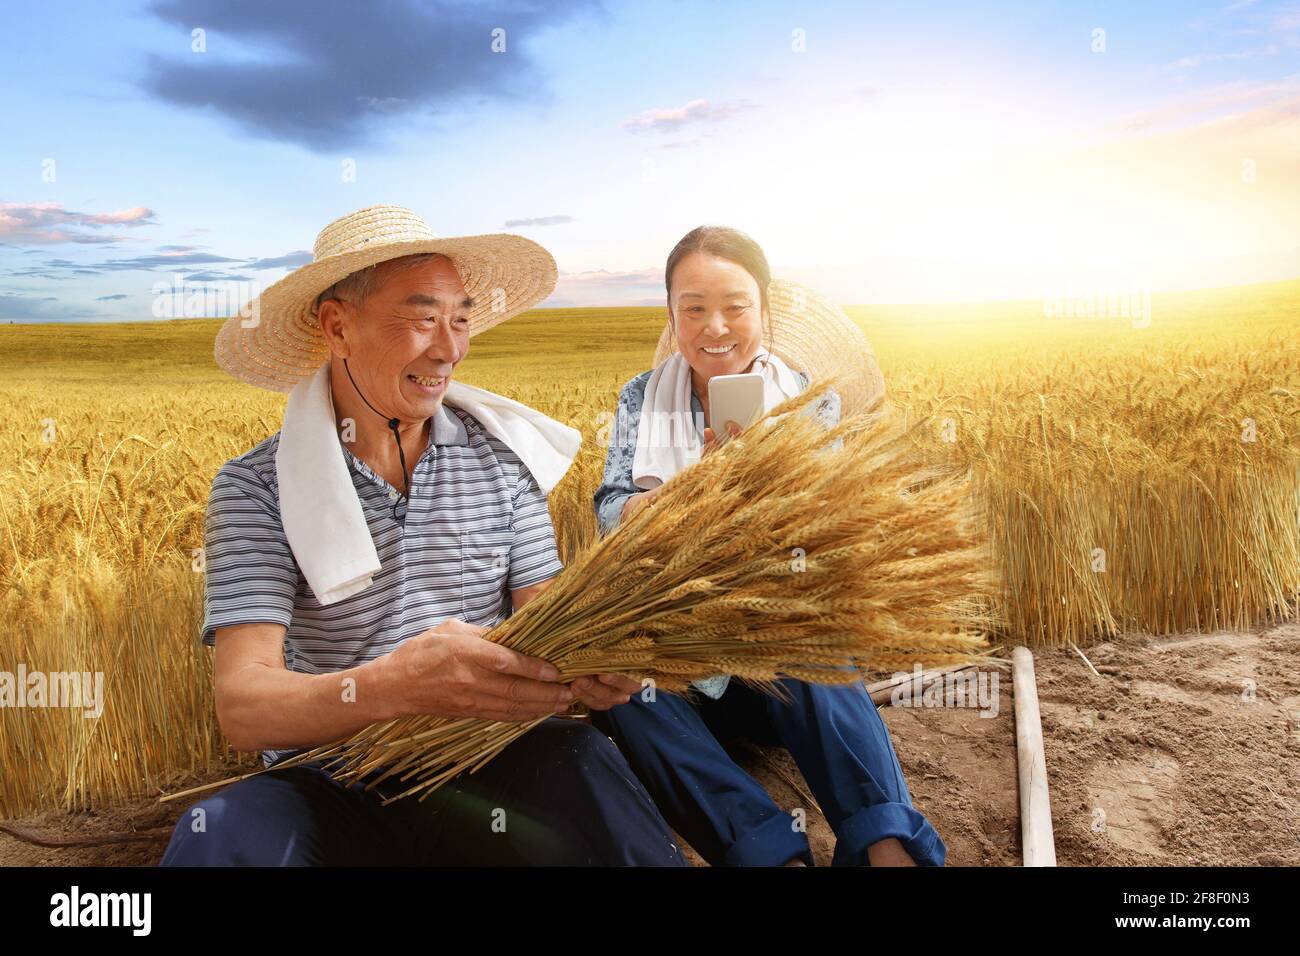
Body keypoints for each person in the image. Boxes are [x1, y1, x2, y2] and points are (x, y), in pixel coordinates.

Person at [160, 204, 686, 866]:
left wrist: (596, 660)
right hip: (329, 782)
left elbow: (544, 617)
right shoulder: (256, 487)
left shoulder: (504, 458)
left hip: (483, 764)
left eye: (460, 318)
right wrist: (392, 686)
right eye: (421, 318)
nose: (450, 348)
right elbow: (244, 706)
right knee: (223, 832)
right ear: (337, 326)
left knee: (581, 761)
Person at [589, 225, 944, 867]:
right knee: (623, 686)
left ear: (764, 309)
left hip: (775, 672)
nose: (714, 326)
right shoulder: (642, 398)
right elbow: (608, 509)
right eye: (693, 307)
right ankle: (771, 855)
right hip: (682, 667)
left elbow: (825, 532)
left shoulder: (808, 403)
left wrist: (751, 498)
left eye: (735, 306)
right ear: (672, 315)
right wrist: (672, 502)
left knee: (813, 643)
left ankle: (886, 847)